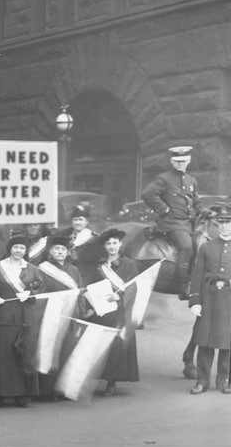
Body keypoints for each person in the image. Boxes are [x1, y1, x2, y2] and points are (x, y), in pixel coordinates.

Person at [85, 228, 139, 396]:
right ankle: (98, 377)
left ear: (120, 244)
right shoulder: (99, 265)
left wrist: (120, 298)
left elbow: (134, 287)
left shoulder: (129, 264)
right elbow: (91, 286)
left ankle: (111, 381)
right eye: (108, 243)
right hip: (103, 311)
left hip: (120, 311)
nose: (112, 246)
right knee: (101, 344)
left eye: (115, 243)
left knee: (116, 344)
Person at [0, 235, 44, 407]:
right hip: (4, 316)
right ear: (10, 249)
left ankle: (22, 394)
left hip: (25, 316)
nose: (18, 251)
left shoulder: (32, 268)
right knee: (4, 356)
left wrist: (30, 293)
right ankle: (2, 393)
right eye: (15, 247)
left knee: (23, 356)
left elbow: (40, 287)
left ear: (25, 251)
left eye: (22, 248)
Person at [142, 146, 198, 298]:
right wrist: (164, 209)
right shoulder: (164, 178)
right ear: (172, 162)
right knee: (186, 247)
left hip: (188, 222)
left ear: (189, 161)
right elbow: (148, 194)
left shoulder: (191, 180)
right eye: (178, 161)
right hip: (171, 223)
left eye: (184, 161)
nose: (181, 164)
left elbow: (196, 201)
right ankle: (183, 285)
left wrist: (204, 211)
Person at [187, 203, 231, 394]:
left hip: (229, 300)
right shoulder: (206, 247)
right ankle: (202, 381)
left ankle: (224, 381)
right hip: (208, 298)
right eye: (221, 222)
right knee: (204, 340)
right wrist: (195, 301)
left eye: (228, 222)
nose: (224, 226)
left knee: (227, 341)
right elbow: (197, 275)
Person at [34, 236, 83, 400]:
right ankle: (46, 391)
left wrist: (81, 310)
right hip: (50, 315)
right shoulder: (42, 269)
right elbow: (38, 291)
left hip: (70, 316)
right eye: (57, 249)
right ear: (50, 251)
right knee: (48, 350)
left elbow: (80, 292)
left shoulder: (74, 270)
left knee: (67, 350)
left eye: (63, 249)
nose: (60, 252)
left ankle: (62, 389)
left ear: (68, 252)